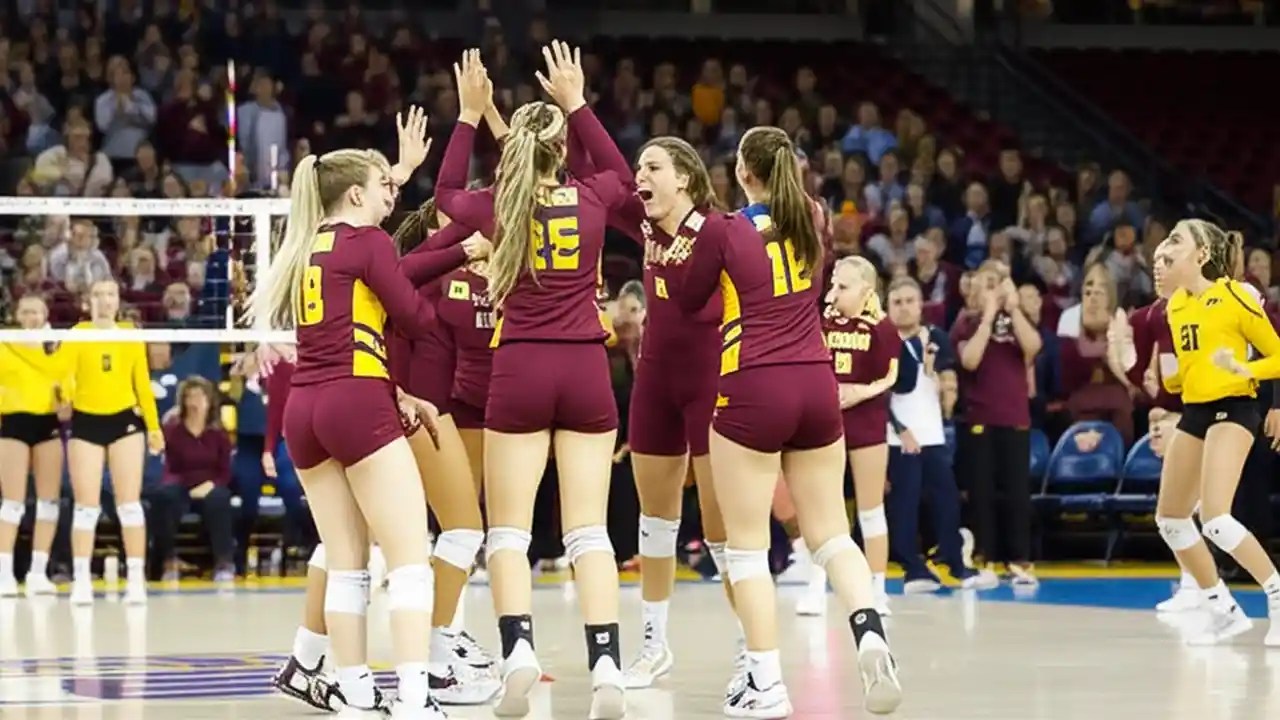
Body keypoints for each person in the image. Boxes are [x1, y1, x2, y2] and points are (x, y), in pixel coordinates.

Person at [677, 124, 901, 717]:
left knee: (748, 549)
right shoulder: (814, 215)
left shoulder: (724, 229)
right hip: (816, 382)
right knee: (832, 535)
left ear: (741, 172)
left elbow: (690, 299)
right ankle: (870, 631)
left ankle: (765, 682)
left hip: (753, 381)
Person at [437, 46, 630, 719]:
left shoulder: (499, 205)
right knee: (589, 533)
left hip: (519, 366)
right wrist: (577, 103)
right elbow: (619, 172)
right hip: (585, 368)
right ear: (561, 149)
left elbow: (443, 195)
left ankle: (517, 652)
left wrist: (469, 115)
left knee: (509, 534)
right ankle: (607, 665)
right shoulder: (592, 195)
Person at [246, 105, 452, 718]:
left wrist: (402, 171)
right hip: (354, 400)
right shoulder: (367, 243)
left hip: (305, 407)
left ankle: (355, 692)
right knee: (410, 560)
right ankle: (414, 697)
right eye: (382, 185)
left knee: (346, 565)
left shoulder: (306, 244)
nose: (391, 194)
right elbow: (414, 316)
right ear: (357, 193)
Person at [566, 116, 733, 685]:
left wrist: (580, 106)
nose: (640, 176)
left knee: (722, 530)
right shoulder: (648, 227)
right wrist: (573, 113)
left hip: (709, 385)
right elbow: (598, 176)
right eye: (640, 167)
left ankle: (751, 652)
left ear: (684, 177)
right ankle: (654, 645)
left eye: (653, 167)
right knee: (654, 523)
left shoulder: (717, 231)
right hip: (655, 385)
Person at [1143, 219, 1280, 646]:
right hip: (1197, 411)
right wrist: (1150, 371)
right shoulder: (1176, 306)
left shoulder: (1235, 296)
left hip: (1236, 407)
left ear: (1201, 254)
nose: (1166, 247)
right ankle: (1223, 610)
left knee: (1216, 517)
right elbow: (1184, 379)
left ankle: (1277, 595)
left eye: (1176, 240)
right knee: (1170, 520)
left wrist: (1246, 369)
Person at [882, 277, 998, 592]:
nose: (904, 308)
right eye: (897, 302)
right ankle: (913, 569)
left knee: (946, 499)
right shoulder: (884, 342)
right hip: (900, 438)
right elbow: (880, 394)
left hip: (932, 434)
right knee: (905, 505)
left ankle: (956, 564)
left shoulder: (936, 337)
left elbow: (948, 379)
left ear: (921, 305)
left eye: (910, 301)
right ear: (887, 308)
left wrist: (943, 384)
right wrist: (900, 430)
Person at [66, 279, 163, 606]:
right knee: (86, 506)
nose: (104, 300)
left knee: (129, 504)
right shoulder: (77, 334)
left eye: (110, 294)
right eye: (98, 294)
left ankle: (135, 579)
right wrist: (64, 397)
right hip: (86, 419)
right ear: (88, 301)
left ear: (118, 300)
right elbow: (66, 376)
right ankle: (81, 579)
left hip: (124, 420)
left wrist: (154, 427)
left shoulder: (130, 334)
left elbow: (142, 383)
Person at [817, 255, 900, 617]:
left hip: (867, 422)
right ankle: (815, 587)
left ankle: (877, 589)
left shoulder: (881, 328)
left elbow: (890, 376)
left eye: (844, 287)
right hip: (826, 421)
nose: (835, 293)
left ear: (867, 290)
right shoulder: (822, 320)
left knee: (871, 510)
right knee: (822, 509)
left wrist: (859, 392)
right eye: (833, 285)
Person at [950, 261, 1041, 585]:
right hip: (980, 418)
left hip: (1015, 417)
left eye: (999, 283)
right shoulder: (966, 322)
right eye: (987, 283)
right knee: (982, 492)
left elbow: (1034, 347)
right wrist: (988, 318)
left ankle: (1019, 560)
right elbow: (969, 360)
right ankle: (984, 557)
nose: (994, 290)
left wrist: (1013, 310)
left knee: (1017, 493)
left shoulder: (1018, 321)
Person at [0, 295, 69, 598]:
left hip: (47, 424)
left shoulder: (58, 349)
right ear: (17, 315)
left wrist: (65, 403)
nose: (31, 316)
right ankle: (4, 574)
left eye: (36, 311)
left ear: (45, 315)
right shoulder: (4, 344)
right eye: (25, 311)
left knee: (48, 502)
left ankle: (38, 573)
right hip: (12, 423)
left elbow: (66, 393)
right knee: (12, 502)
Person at [150, 377, 235, 581]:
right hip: (179, 483)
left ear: (209, 401)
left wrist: (211, 485)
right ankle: (167, 560)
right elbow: (167, 467)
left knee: (219, 499)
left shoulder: (219, 433)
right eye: (190, 397)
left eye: (199, 397)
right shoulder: (172, 431)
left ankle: (223, 562)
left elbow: (225, 471)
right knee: (164, 497)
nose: (195, 402)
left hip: (209, 485)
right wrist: (180, 485)